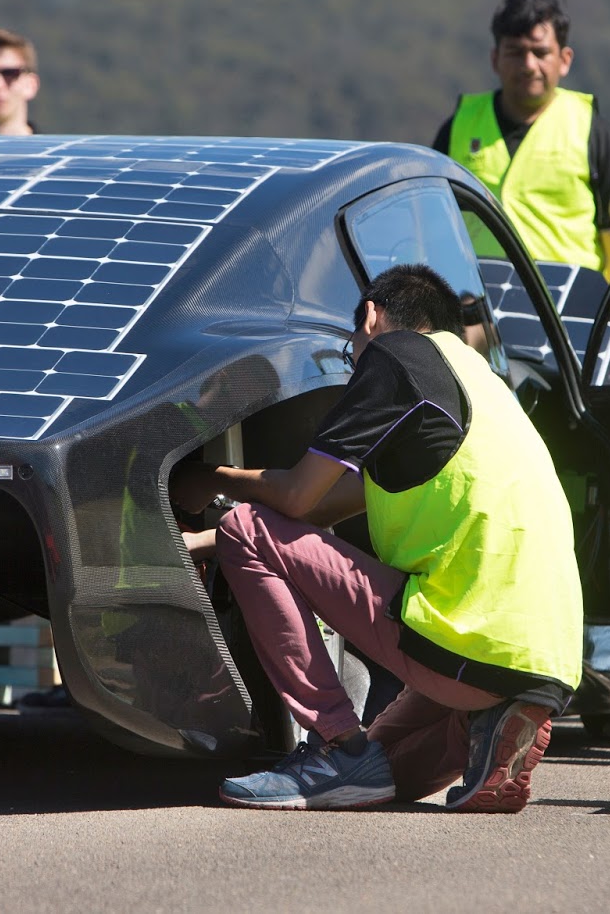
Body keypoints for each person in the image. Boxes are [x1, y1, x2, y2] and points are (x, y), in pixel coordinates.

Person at [171, 264, 583, 811]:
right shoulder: (478, 386)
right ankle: (490, 732)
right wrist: (192, 545)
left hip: (466, 639)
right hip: (541, 661)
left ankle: (333, 743)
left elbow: (295, 497)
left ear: (370, 316)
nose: (355, 369)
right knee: (382, 779)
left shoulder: (396, 355)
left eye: (351, 354)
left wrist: (210, 480)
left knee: (244, 527)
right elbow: (322, 509)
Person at [433, 0, 610, 323]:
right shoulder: (457, 129)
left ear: (565, 59)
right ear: (495, 58)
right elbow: (431, 231)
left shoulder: (594, 133)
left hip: (570, 318)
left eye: (541, 52)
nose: (529, 65)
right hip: (477, 320)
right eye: (516, 52)